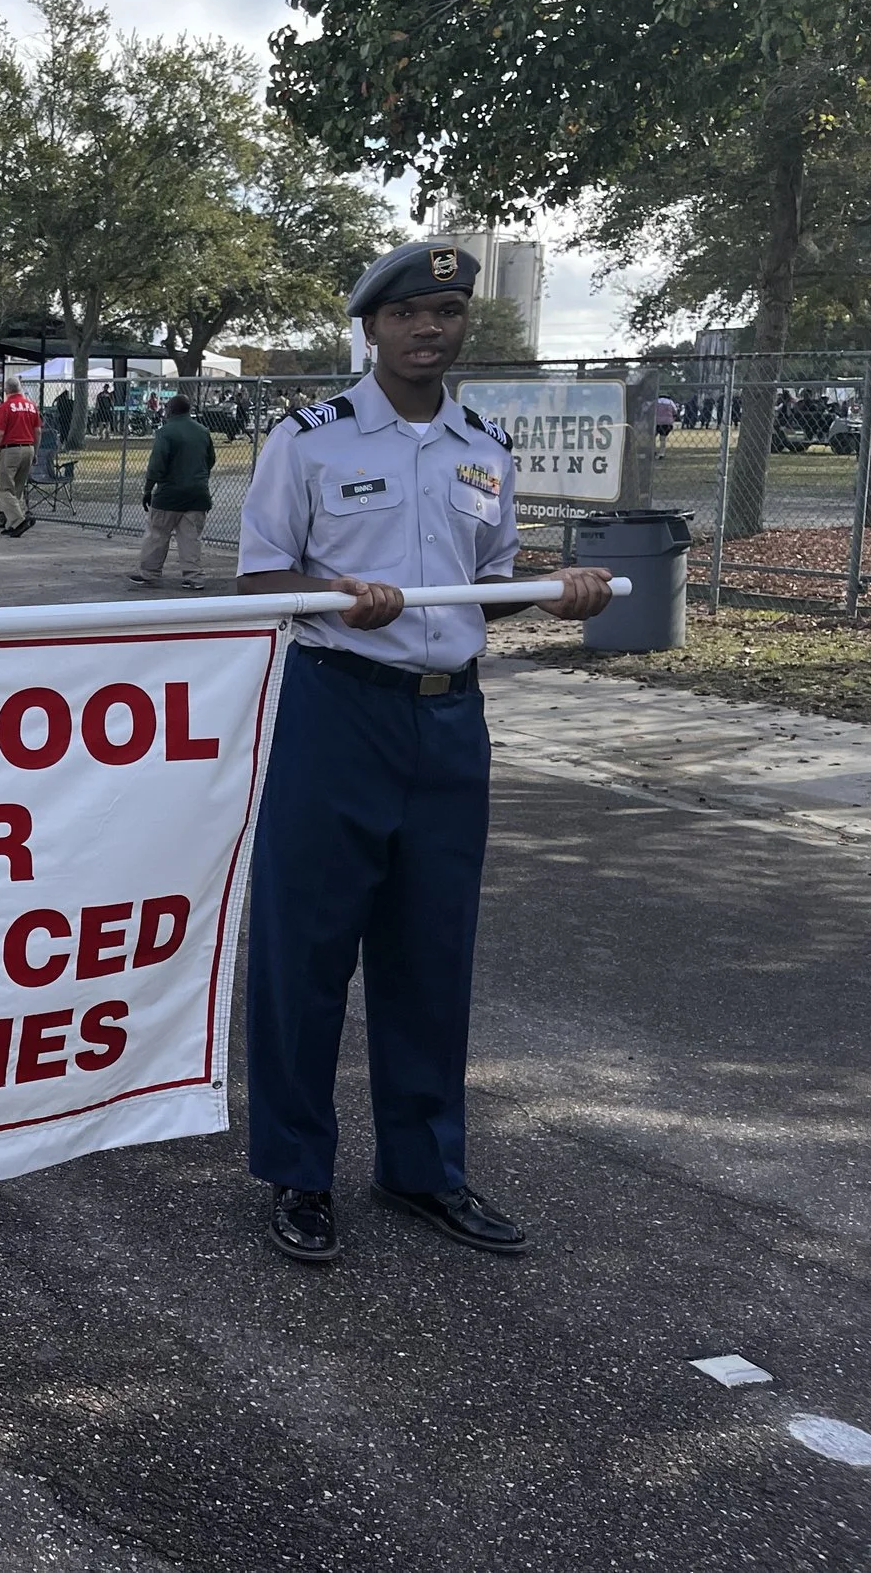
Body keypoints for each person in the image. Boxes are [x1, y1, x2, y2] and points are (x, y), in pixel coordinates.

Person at [236, 241, 615, 1268]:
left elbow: (485, 577)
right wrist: (337, 601)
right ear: (371, 329)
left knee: (429, 954)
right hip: (334, 711)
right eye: (406, 314)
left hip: (449, 722)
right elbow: (259, 577)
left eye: (445, 312)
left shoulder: (482, 447)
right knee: (306, 950)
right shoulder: (307, 441)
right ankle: (296, 1171)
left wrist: (553, 588)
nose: (427, 329)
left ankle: (420, 1170)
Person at [131, 394, 216, 591]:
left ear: (170, 410)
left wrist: (148, 489)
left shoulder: (165, 433)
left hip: (169, 494)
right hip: (197, 494)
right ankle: (194, 577)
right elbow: (210, 460)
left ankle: (149, 574)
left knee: (157, 534)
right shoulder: (203, 431)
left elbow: (156, 465)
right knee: (190, 537)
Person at [0, 383, 39, 532]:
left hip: (11, 450)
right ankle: (10, 524)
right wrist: (35, 451)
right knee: (17, 487)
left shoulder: (5, 407)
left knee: (5, 488)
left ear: (6, 391)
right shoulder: (31, 406)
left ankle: (18, 520)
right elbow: (37, 431)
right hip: (29, 448)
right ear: (19, 389)